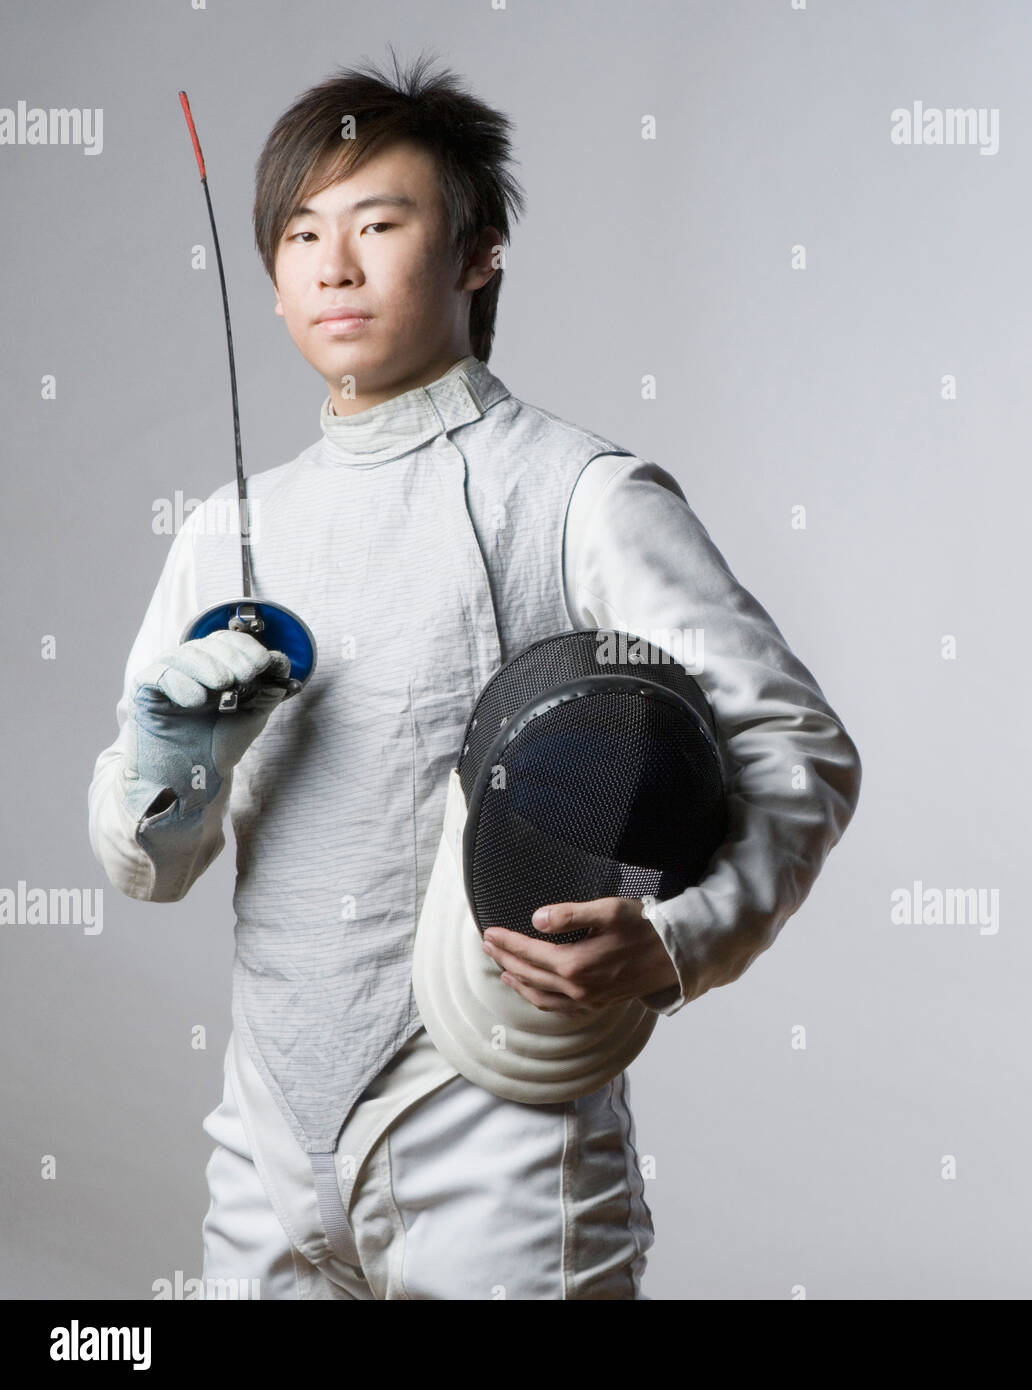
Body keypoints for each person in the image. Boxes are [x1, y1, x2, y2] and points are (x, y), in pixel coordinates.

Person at [86, 50, 862, 1300]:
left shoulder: (575, 491)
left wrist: (679, 938)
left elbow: (796, 740)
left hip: (497, 1120)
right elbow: (149, 864)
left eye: (378, 224)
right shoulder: (228, 525)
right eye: (300, 235)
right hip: (267, 1133)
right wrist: (171, 759)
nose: (333, 266)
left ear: (476, 252)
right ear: (274, 280)